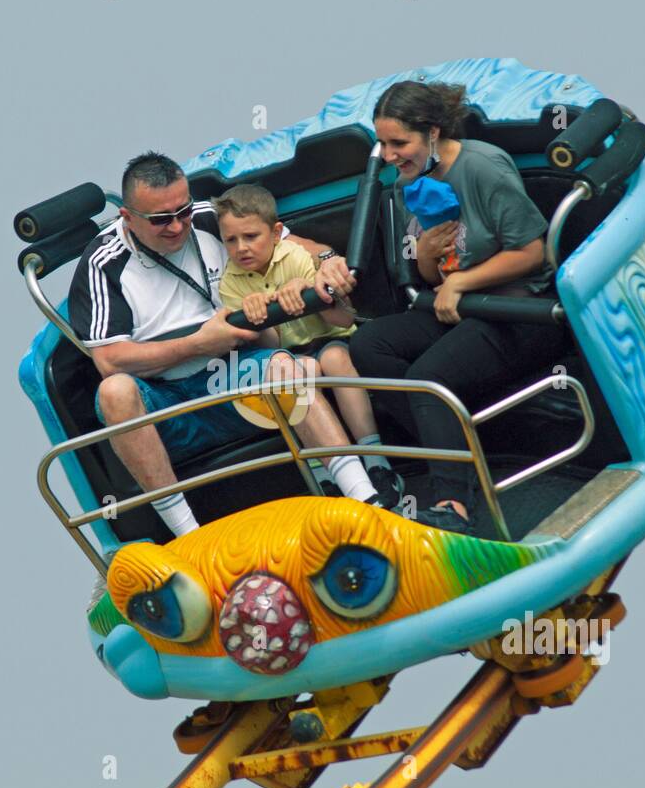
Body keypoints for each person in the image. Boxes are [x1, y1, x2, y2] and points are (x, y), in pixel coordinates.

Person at [66, 152, 388, 538]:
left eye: (182, 212)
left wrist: (329, 261)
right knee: (113, 391)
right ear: (128, 218)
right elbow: (109, 361)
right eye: (161, 219)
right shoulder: (103, 262)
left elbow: (296, 245)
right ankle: (190, 538)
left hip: (229, 378)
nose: (177, 226)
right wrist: (199, 343)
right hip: (166, 403)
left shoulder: (207, 217)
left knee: (285, 367)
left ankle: (367, 502)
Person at [349, 81, 566, 535]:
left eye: (398, 143)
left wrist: (462, 282)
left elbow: (533, 252)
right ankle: (462, 449)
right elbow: (433, 275)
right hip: (460, 307)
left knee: (429, 376)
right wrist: (427, 254)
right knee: (370, 344)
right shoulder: (415, 181)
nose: (389, 156)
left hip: (517, 309)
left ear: (431, 133)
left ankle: (455, 503)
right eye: (383, 144)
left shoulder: (483, 167)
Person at [214, 183, 403, 507]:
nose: (242, 248)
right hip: (290, 356)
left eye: (251, 236)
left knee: (334, 359)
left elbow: (342, 321)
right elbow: (270, 345)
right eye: (231, 240)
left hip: (330, 339)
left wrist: (308, 292)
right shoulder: (230, 283)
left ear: (276, 233)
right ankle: (325, 471)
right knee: (302, 369)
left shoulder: (298, 257)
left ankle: (375, 459)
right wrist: (257, 317)